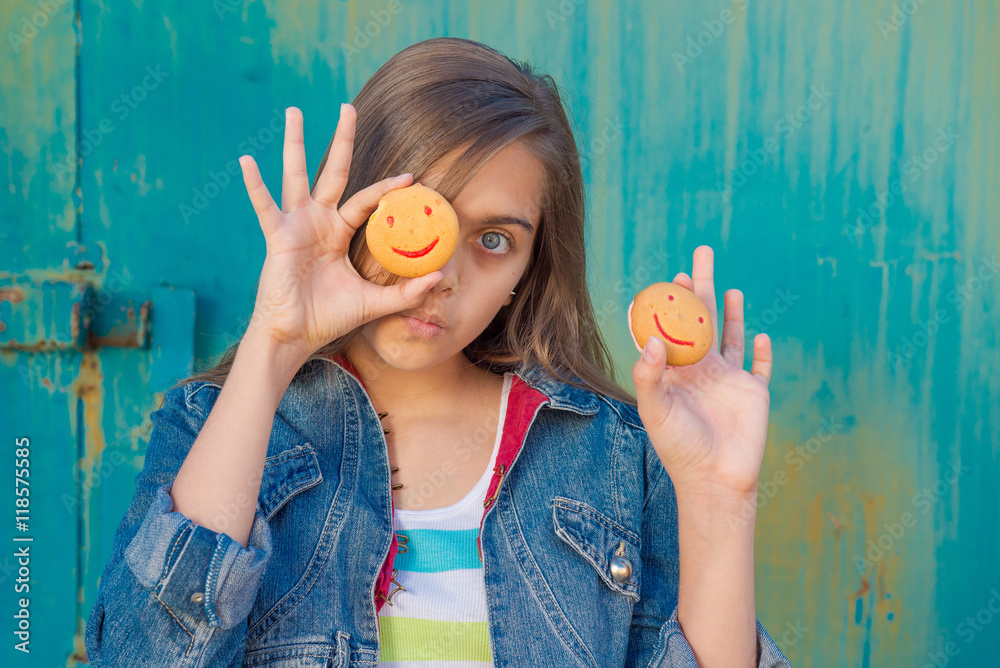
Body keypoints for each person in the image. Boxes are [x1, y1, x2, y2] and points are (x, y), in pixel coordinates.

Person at [84, 37, 790, 667]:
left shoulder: (615, 456)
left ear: (525, 272)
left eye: (494, 240)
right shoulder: (215, 427)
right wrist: (272, 346)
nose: (440, 276)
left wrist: (720, 504)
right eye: (421, 216)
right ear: (358, 204)